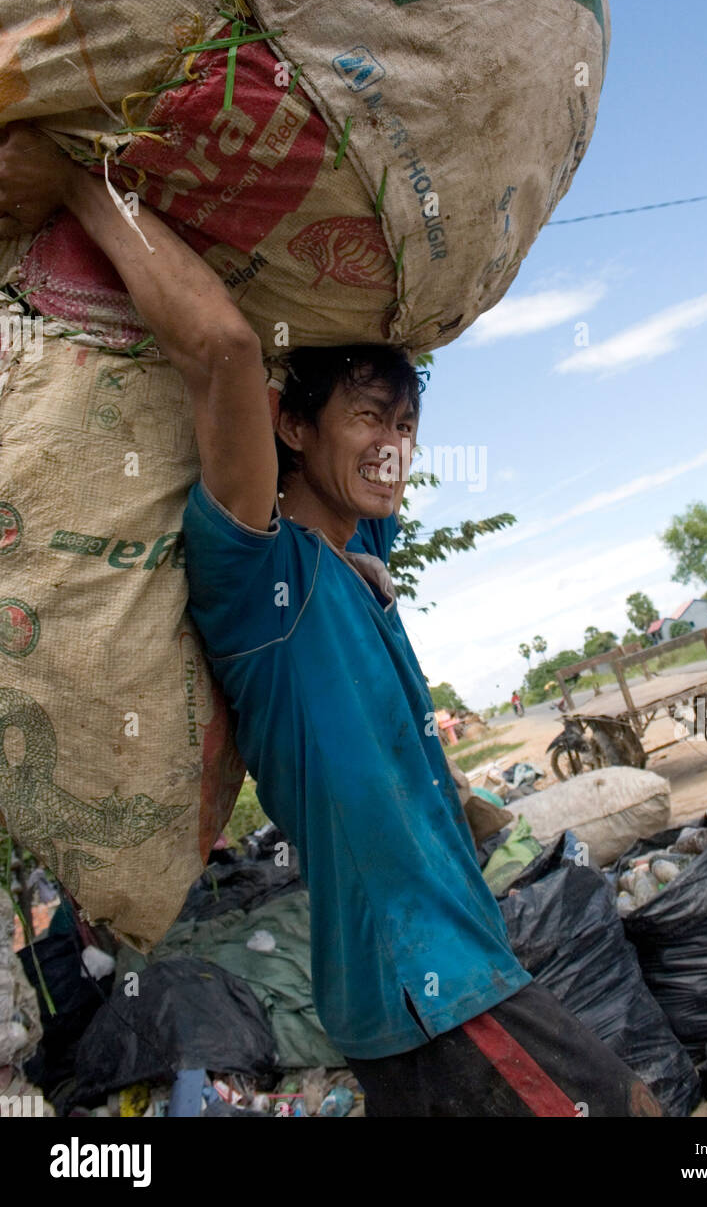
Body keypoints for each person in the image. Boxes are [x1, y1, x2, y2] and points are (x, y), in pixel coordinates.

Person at [0, 125, 661, 1118]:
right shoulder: (254, 568)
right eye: (366, 415)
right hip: (424, 983)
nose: (394, 447)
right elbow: (223, 350)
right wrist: (84, 183)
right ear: (292, 425)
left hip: (442, 971)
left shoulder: (362, 563)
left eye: (405, 424)